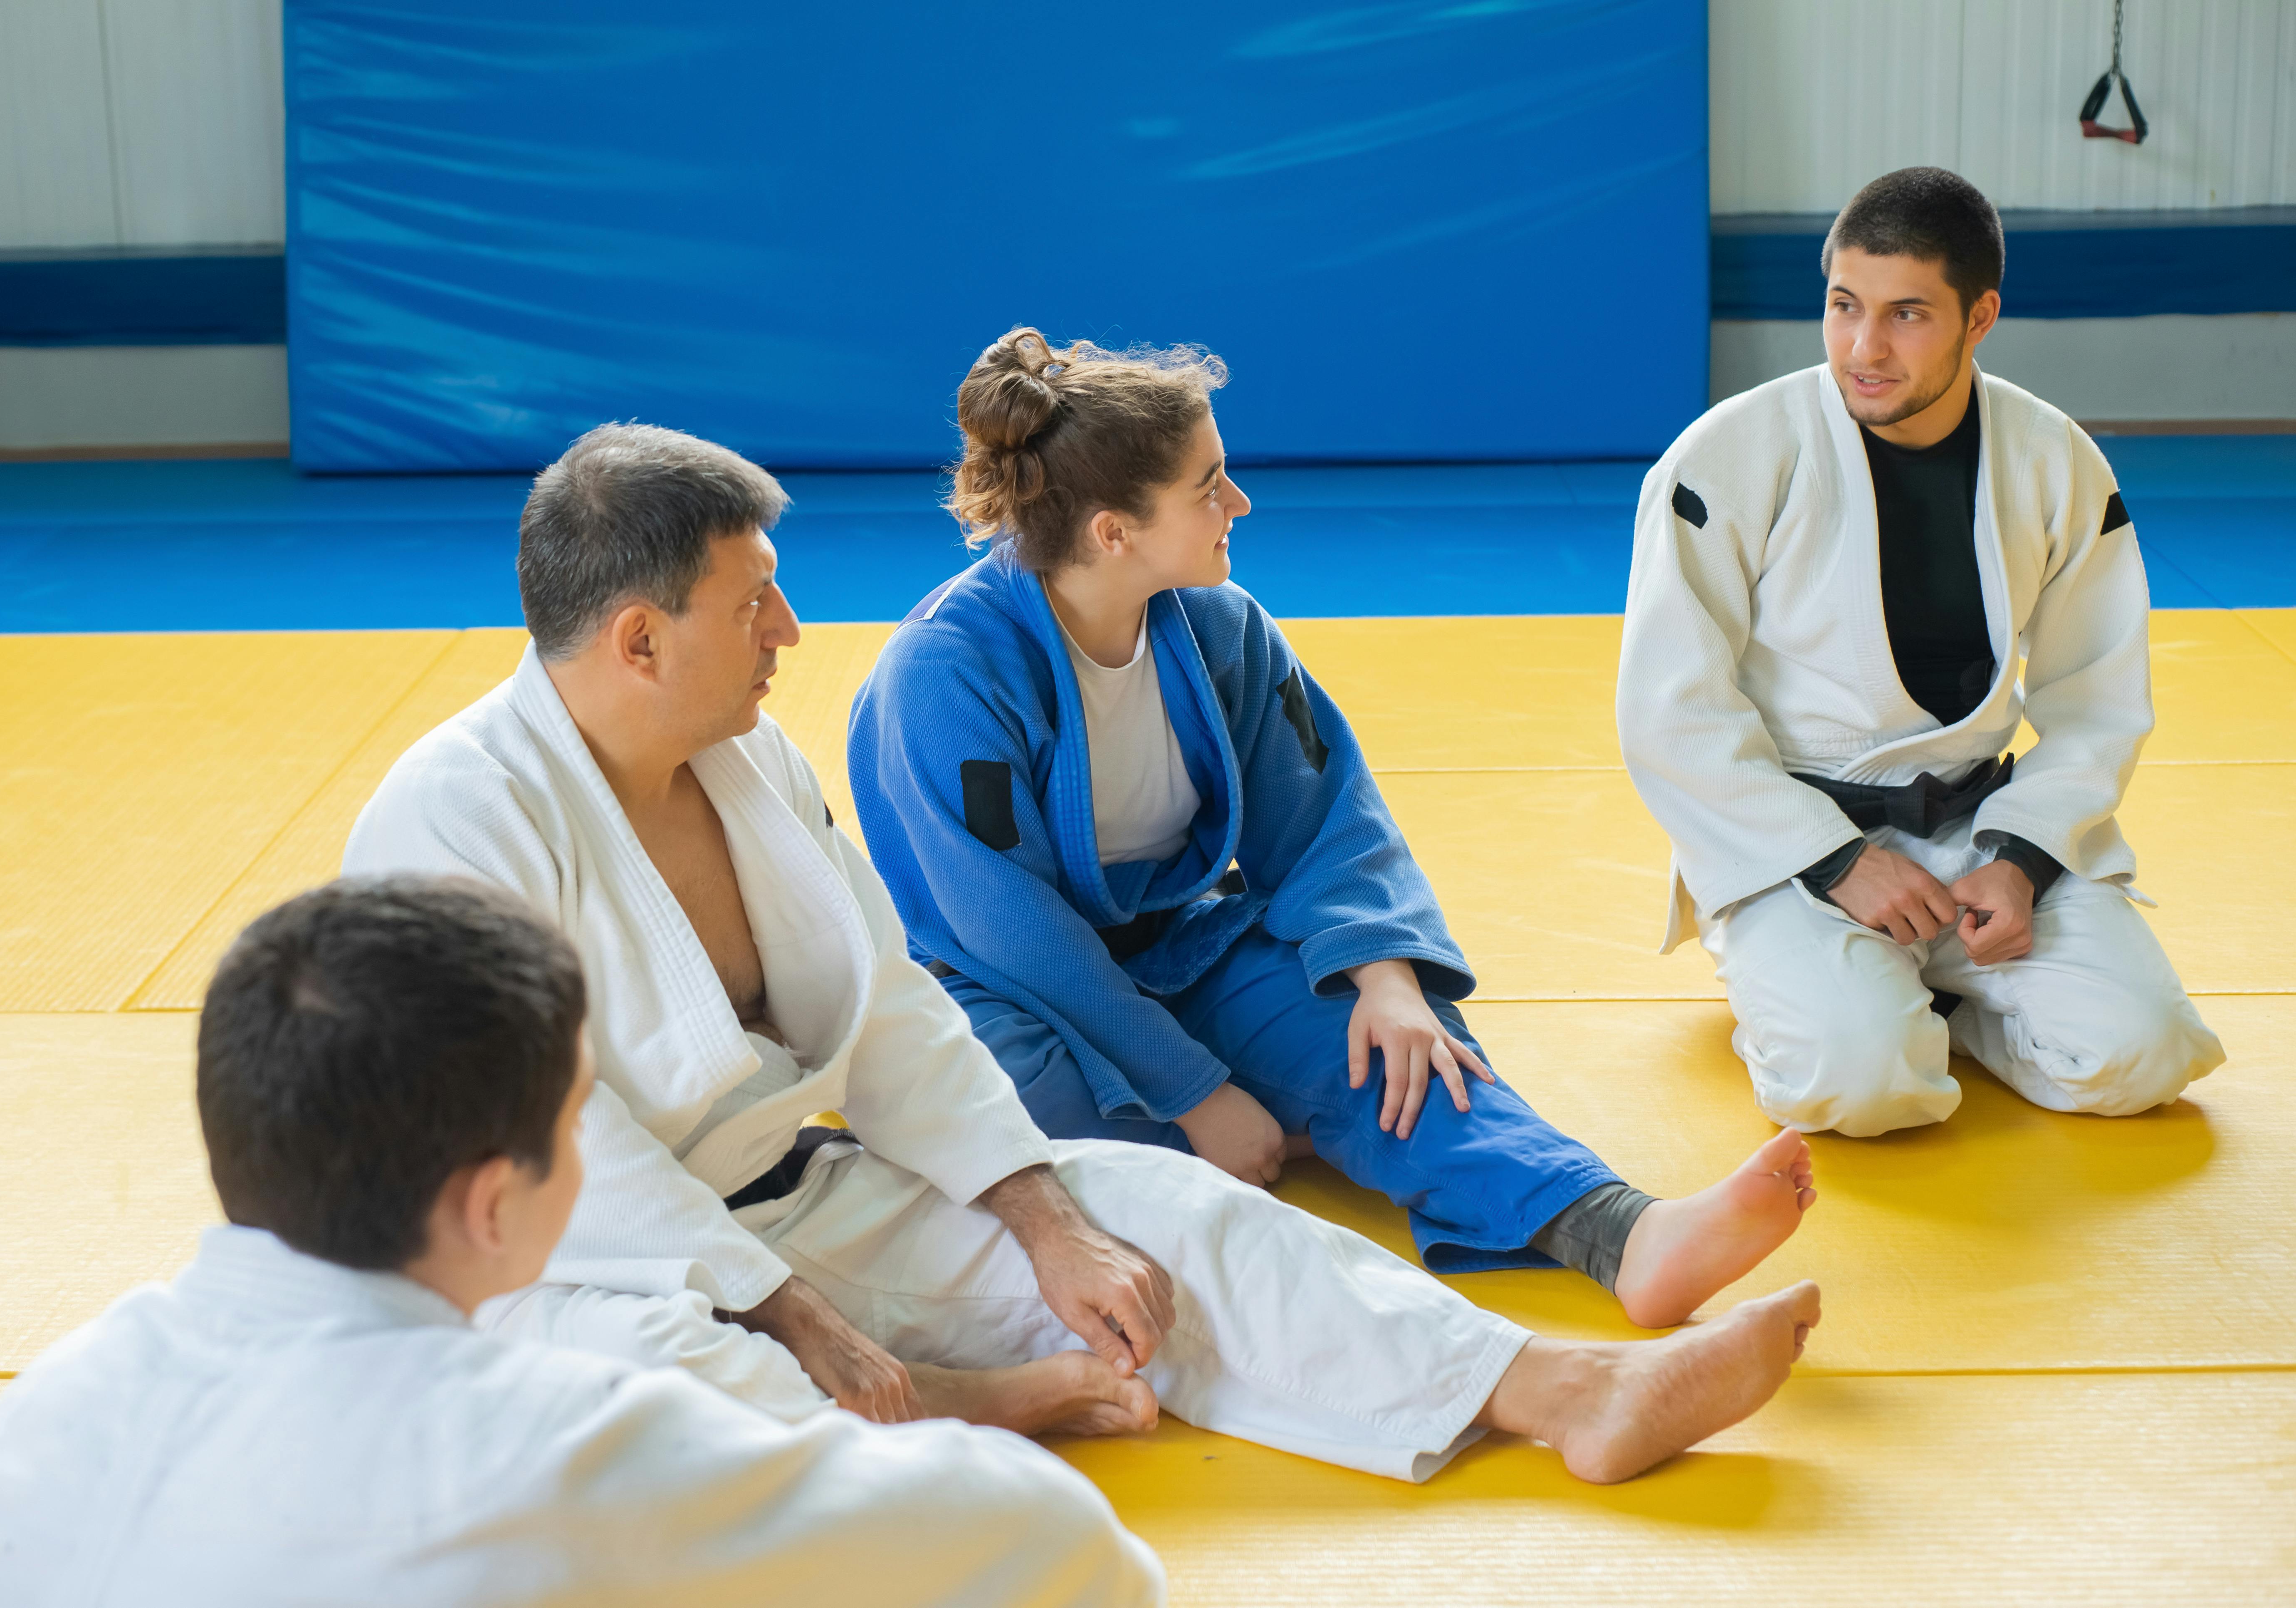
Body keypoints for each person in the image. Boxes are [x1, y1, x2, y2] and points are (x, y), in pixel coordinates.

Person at [341, 420, 1821, 1490]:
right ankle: (963, 1401)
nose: (792, 628)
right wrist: (792, 1311)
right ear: (639, 641)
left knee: (1153, 1212)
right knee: (665, 1390)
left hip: (801, 1195)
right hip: (567, 1266)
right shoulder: (455, 817)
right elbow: (554, 1141)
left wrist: (1048, 1215)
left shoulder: (748, 760)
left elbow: (893, 1006)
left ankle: (1566, 1386)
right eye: (754, 604)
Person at [847, 328, 1815, 1328]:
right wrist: (1195, 1093)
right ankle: (1292, 1124)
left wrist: (1387, 983)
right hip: (1002, 988)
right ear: (1111, 533)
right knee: (1025, 1118)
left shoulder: (1219, 629)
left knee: (1404, 1050)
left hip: (1184, 947)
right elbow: (1015, 933)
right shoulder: (947, 675)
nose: (1241, 503)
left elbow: (1321, 821)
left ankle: (1619, 1231)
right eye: (1208, 485)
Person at [0, 878, 1162, 1607]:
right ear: (494, 1204)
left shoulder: (56, 1400)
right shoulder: (563, 1449)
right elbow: (1068, 1551)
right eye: (578, 1123)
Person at [1617, 166, 2225, 1138]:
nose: (1864, 348)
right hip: (1794, 842)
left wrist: (2022, 858)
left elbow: (2096, 697)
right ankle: (1813, 982)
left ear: (1978, 316)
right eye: (1843, 305)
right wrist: (1831, 862)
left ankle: (1924, 994)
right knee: (1863, 1088)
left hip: (1977, 834)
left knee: (2144, 1054)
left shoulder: (2053, 461)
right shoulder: (1728, 458)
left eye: (1907, 315)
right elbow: (1671, 707)